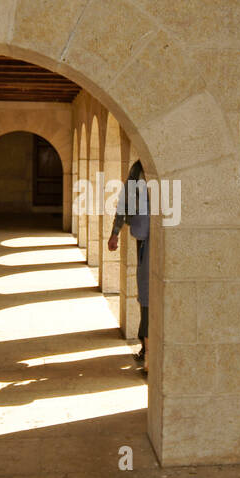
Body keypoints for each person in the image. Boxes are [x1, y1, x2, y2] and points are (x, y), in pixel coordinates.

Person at [107, 160, 150, 373]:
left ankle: (148, 347)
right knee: (146, 293)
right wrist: (115, 232)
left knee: (148, 293)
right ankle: (147, 346)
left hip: (154, 237)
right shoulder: (138, 169)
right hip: (146, 240)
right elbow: (125, 202)